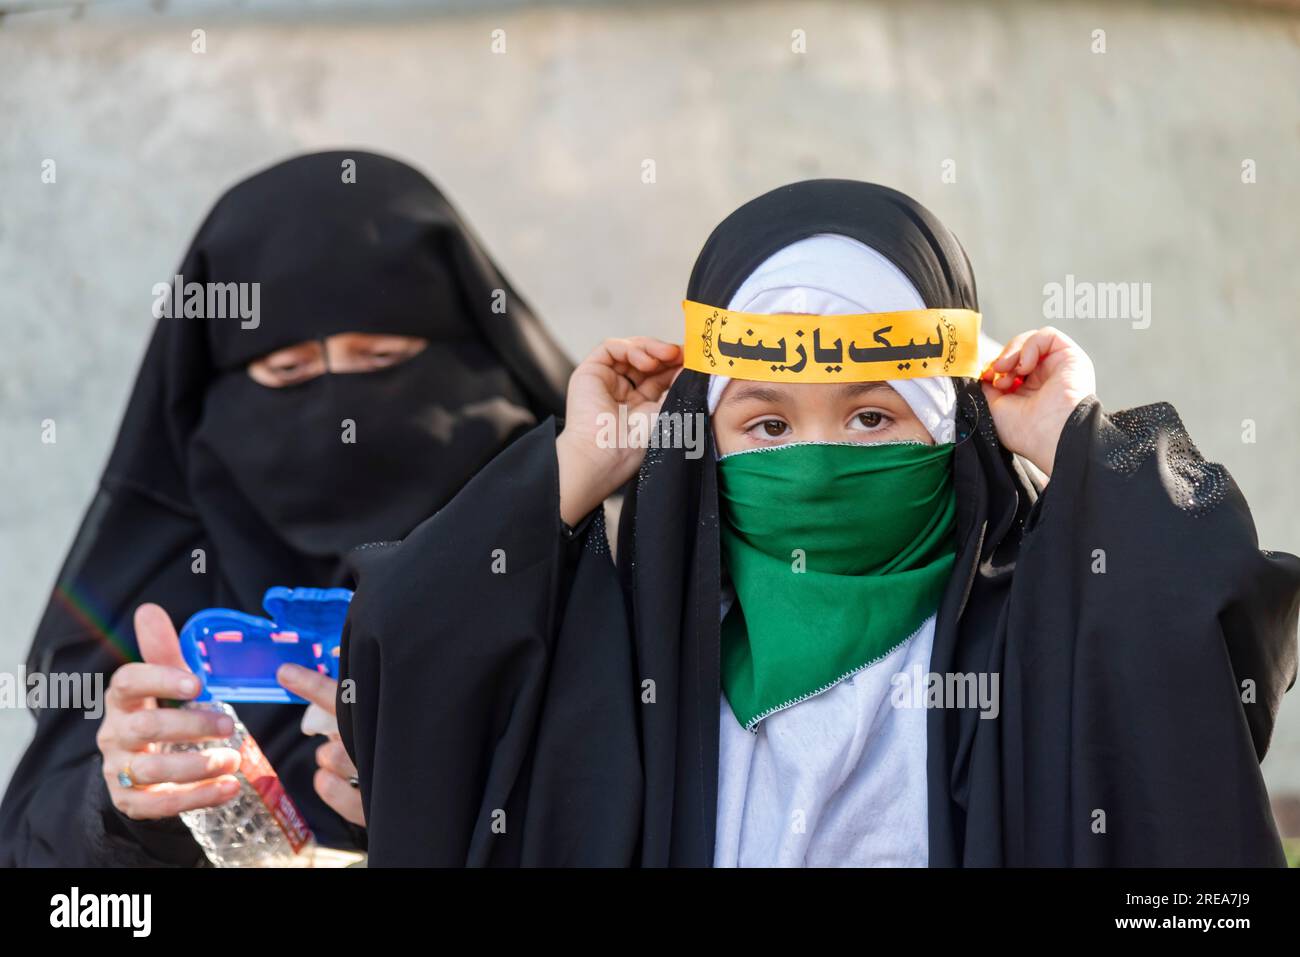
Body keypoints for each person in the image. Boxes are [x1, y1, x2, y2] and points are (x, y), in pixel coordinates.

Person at [338, 179, 1300, 867]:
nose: (818, 456)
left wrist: (1073, 439)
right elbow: (411, 654)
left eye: (872, 415)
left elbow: (1206, 632)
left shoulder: (1033, 650)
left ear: (947, 426)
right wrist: (580, 463)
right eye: (765, 423)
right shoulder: (627, 653)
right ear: (701, 441)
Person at [0, 150, 573, 866]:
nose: (342, 417)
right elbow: (43, 868)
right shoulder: (159, 598)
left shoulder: (581, 547)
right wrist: (125, 803)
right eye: (288, 372)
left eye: (383, 358)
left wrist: (444, 804)